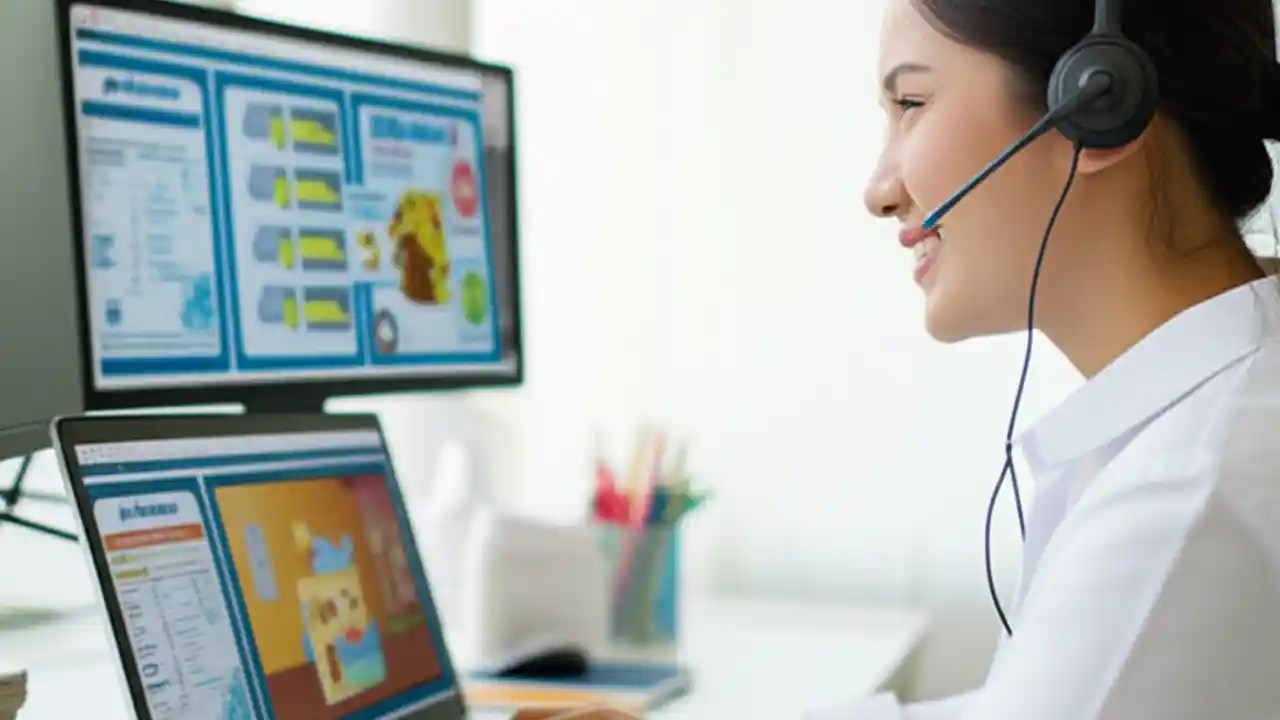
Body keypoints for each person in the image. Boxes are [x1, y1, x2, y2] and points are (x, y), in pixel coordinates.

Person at [516, 0, 1280, 717]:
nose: (880, 191)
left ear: (1097, 104)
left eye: (911, 104)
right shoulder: (1211, 421)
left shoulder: (1189, 498)